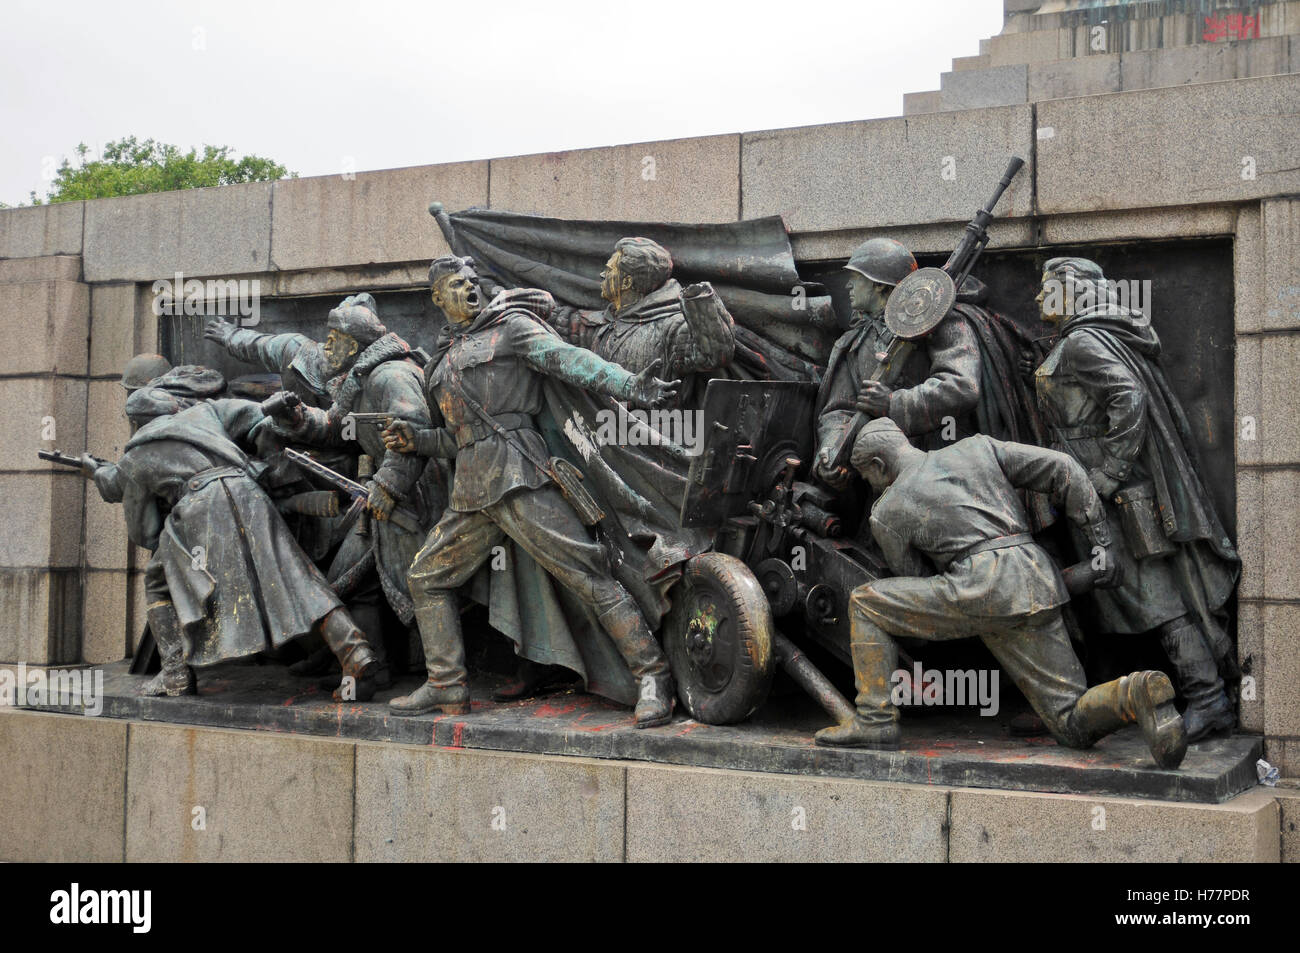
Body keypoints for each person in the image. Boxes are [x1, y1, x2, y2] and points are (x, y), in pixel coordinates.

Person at [383, 255, 680, 726]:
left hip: (520, 477)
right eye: (458, 284)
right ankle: (446, 684)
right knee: (426, 578)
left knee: (588, 573)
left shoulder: (512, 327)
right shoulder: (439, 360)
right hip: (472, 493)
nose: (470, 288)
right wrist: (415, 440)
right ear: (437, 298)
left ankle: (652, 676)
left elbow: (569, 361)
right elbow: (456, 439)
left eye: (473, 280)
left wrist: (631, 386)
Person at [814, 418, 1187, 770]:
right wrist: (1100, 544)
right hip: (1037, 581)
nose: (873, 485)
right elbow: (1064, 468)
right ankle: (1133, 692)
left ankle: (875, 719)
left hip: (976, 591)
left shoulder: (887, 512)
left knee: (866, 602)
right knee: (1071, 722)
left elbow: (916, 579)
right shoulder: (978, 448)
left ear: (878, 464)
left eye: (867, 477)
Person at [1032, 257, 1239, 742]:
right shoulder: (1082, 338)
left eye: (1047, 290)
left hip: (1115, 497)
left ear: (1072, 292)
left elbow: (1128, 398)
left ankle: (1208, 699)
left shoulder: (1084, 341)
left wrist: (1107, 472)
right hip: (1087, 491)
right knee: (1114, 598)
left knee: (1158, 600)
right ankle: (1084, 702)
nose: (1038, 299)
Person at [85, 394, 381, 700]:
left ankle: (174, 673)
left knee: (158, 581)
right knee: (296, 575)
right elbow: (259, 417)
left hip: (200, 509)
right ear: (174, 407)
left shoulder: (136, 455)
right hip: (249, 493)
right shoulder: (207, 411)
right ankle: (355, 652)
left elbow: (142, 530)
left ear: (137, 423)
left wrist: (98, 474)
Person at [814, 238, 981, 488]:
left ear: (879, 285)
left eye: (857, 277)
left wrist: (893, 405)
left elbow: (962, 386)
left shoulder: (940, 322)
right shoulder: (854, 342)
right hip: (879, 476)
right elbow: (839, 409)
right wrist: (830, 451)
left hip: (940, 466)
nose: (848, 285)